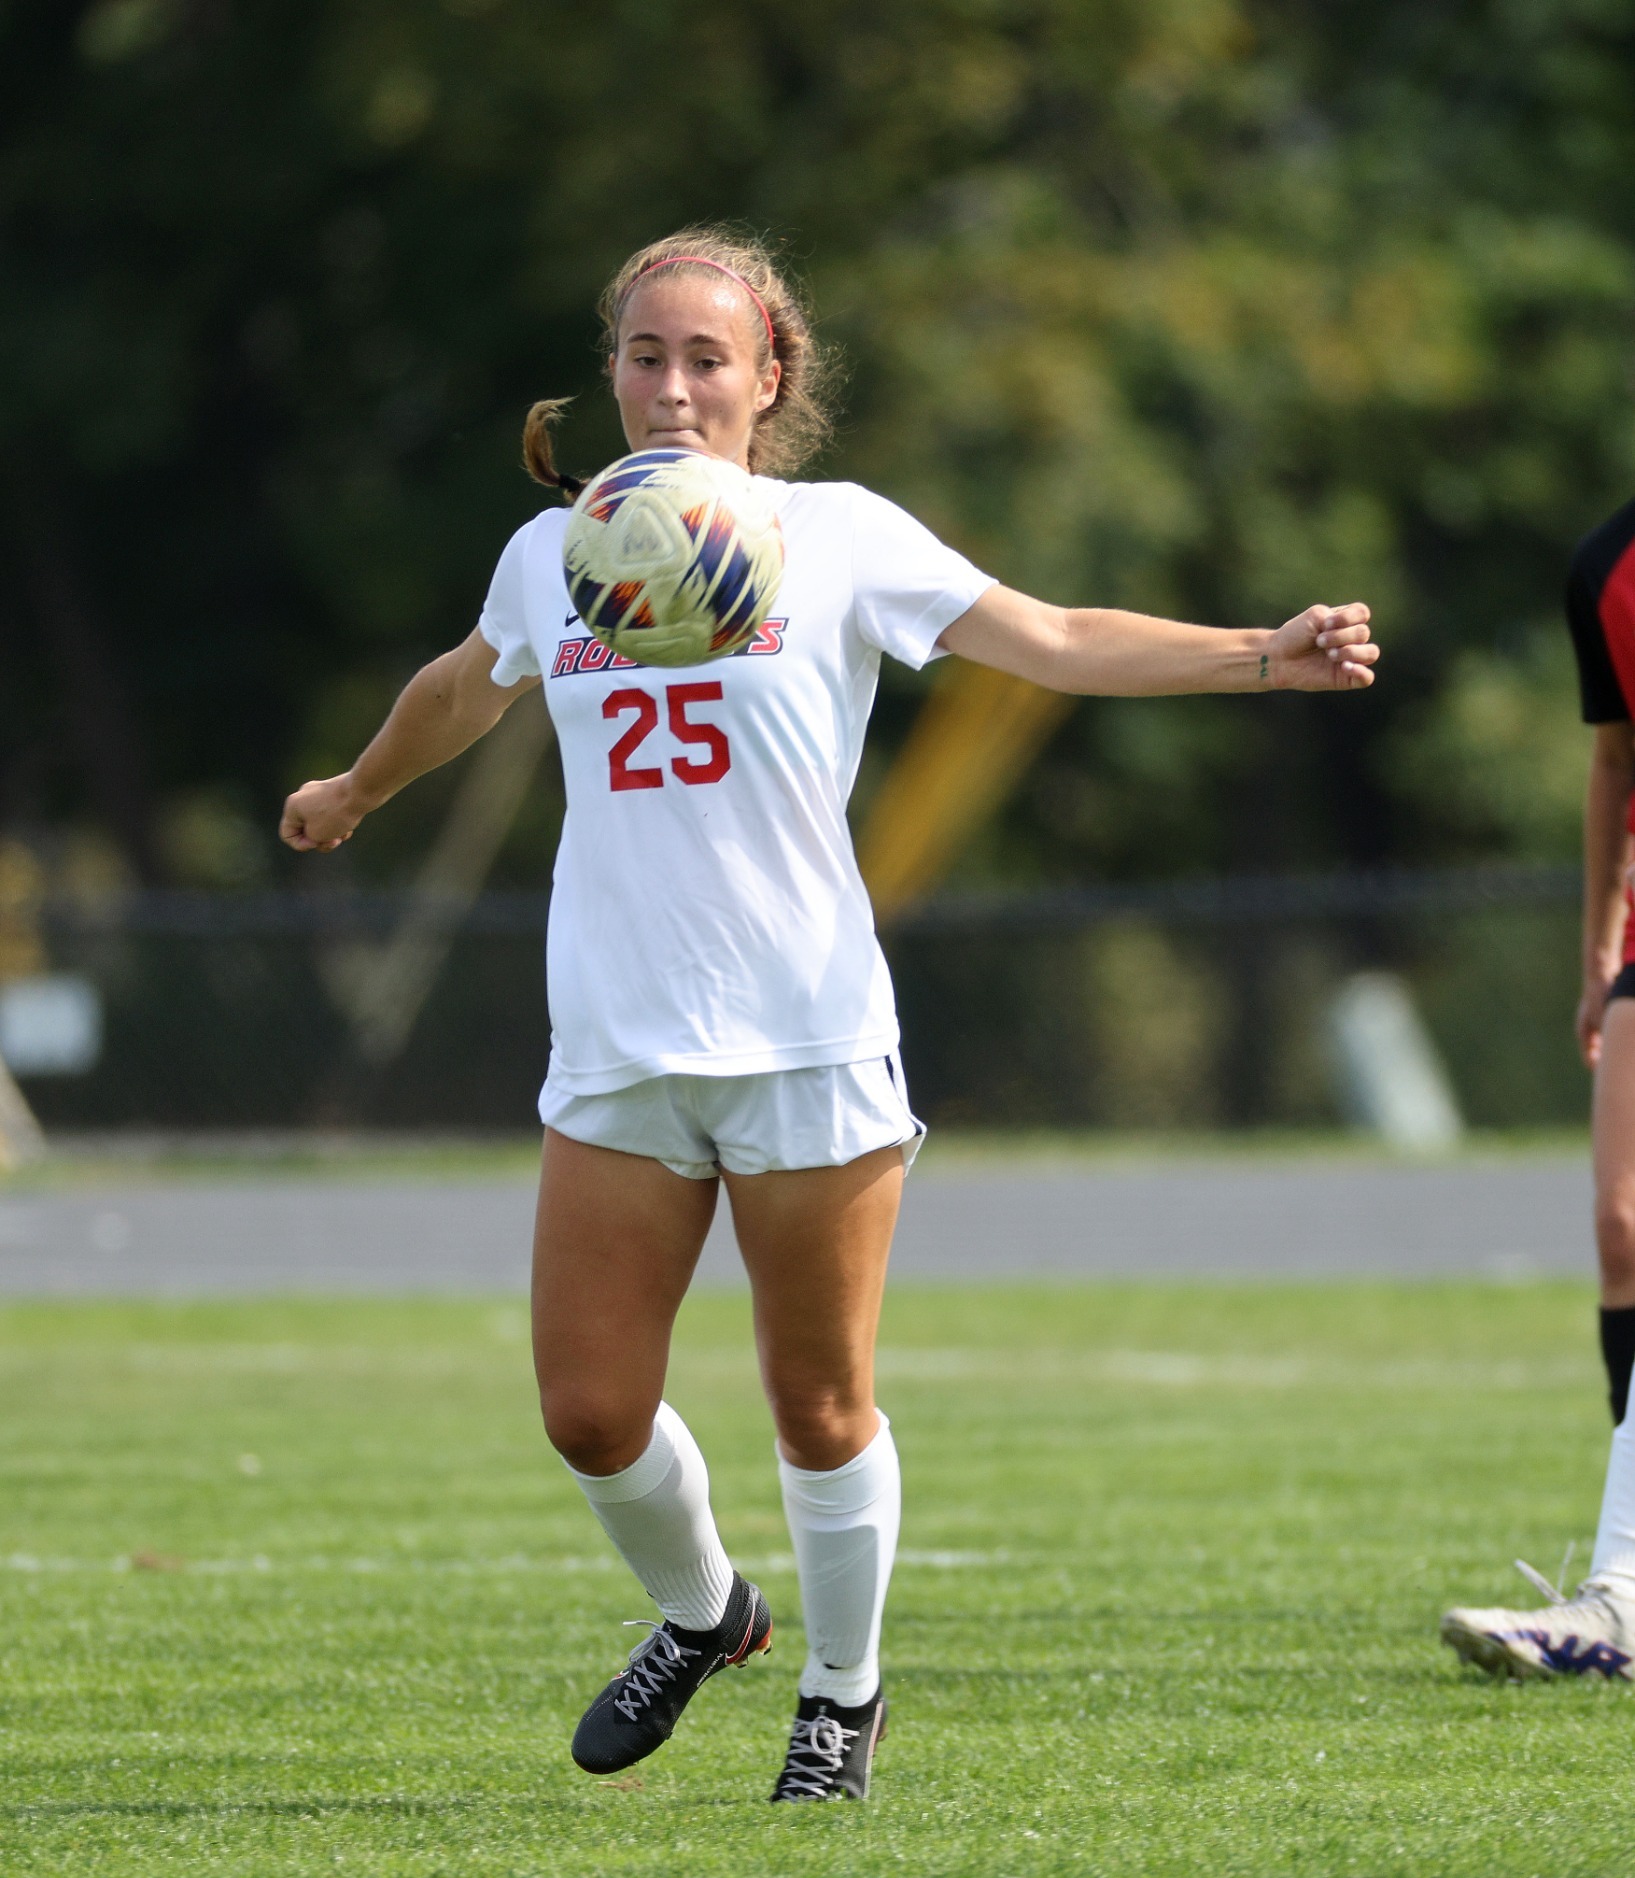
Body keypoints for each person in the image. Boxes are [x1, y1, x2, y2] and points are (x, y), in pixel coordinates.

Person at [280, 227, 1380, 1798]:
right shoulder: (560, 551)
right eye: (644, 356)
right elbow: (466, 683)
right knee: (588, 1413)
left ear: (766, 378)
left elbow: (1049, 638)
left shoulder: (837, 535)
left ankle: (838, 1697)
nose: (671, 387)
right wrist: (353, 788)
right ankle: (706, 1614)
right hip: (618, 1041)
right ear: (610, 375)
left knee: (815, 1404)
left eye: (705, 358)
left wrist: (1258, 657)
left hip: (802, 1034)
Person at [1441, 500, 1635, 1681]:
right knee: (1623, 1227)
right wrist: (1597, 953)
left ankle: (1621, 1596)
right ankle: (1623, 1594)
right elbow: (1615, 762)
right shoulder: (1606, 565)